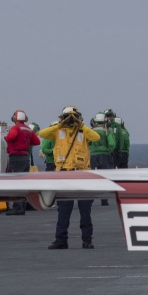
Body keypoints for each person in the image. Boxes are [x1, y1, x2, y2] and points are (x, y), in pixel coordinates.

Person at [39, 106, 100, 249]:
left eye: (73, 117)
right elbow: (42, 133)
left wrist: (81, 125)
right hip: (64, 173)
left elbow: (96, 137)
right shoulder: (58, 131)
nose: (70, 120)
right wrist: (60, 124)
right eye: (68, 117)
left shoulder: (83, 132)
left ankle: (87, 240)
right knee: (63, 210)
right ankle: (61, 239)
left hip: (82, 174)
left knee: (85, 210)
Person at [4, 110, 40, 215]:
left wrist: (6, 138)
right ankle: (22, 207)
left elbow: (10, 137)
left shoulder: (16, 128)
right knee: (23, 183)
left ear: (15, 118)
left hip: (16, 158)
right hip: (25, 158)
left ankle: (17, 208)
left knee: (15, 182)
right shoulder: (28, 128)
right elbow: (37, 141)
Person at [90, 113, 116, 205]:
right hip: (104, 155)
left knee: (92, 178)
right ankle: (104, 200)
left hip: (93, 156)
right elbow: (112, 144)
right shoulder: (107, 131)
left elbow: (88, 143)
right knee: (105, 178)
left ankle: (90, 200)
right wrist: (109, 151)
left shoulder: (91, 131)